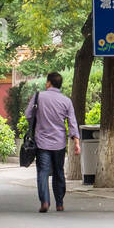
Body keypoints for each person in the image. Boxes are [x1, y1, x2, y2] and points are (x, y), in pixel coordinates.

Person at [25, 71, 81, 214]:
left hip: (42, 142)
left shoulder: (39, 97)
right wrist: (76, 142)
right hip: (59, 143)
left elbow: (28, 115)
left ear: (49, 83)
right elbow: (72, 122)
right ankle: (60, 203)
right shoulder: (66, 101)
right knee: (58, 172)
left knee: (43, 172)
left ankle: (45, 201)